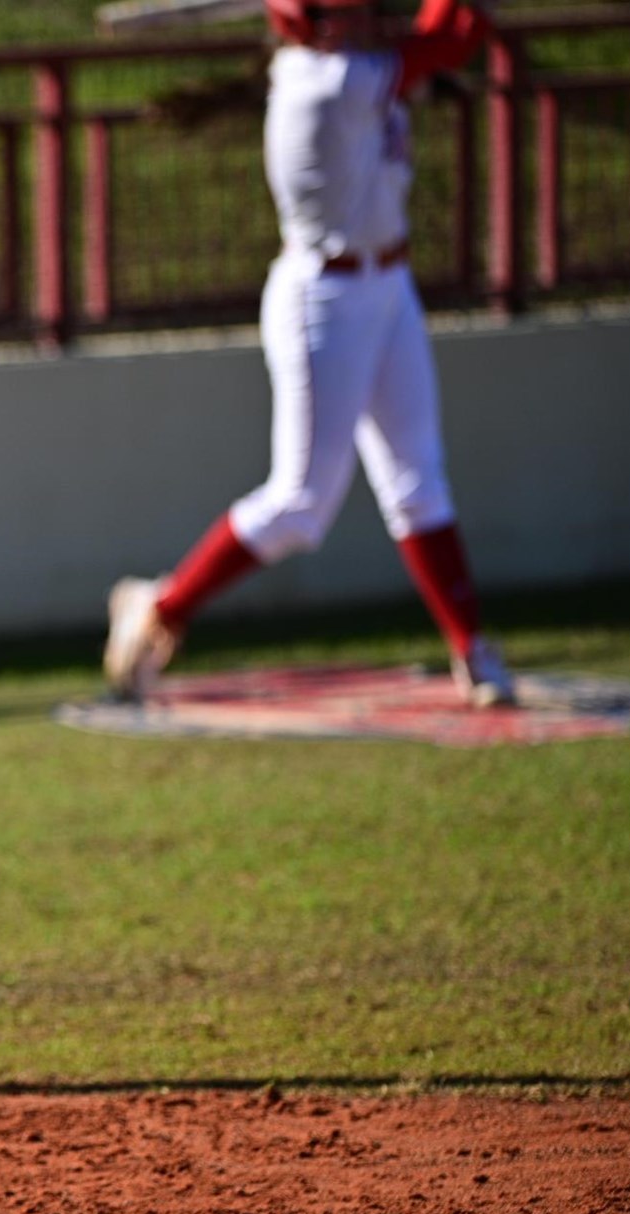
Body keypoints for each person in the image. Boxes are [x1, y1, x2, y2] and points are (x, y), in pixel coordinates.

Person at [104, 0, 516, 708]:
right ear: (311, 24)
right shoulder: (331, 80)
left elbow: (444, 36)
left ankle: (472, 651)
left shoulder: (345, 65)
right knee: (300, 504)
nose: (367, 21)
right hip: (323, 299)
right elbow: (450, 40)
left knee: (419, 478)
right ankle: (162, 607)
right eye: (347, 13)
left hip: (387, 284)